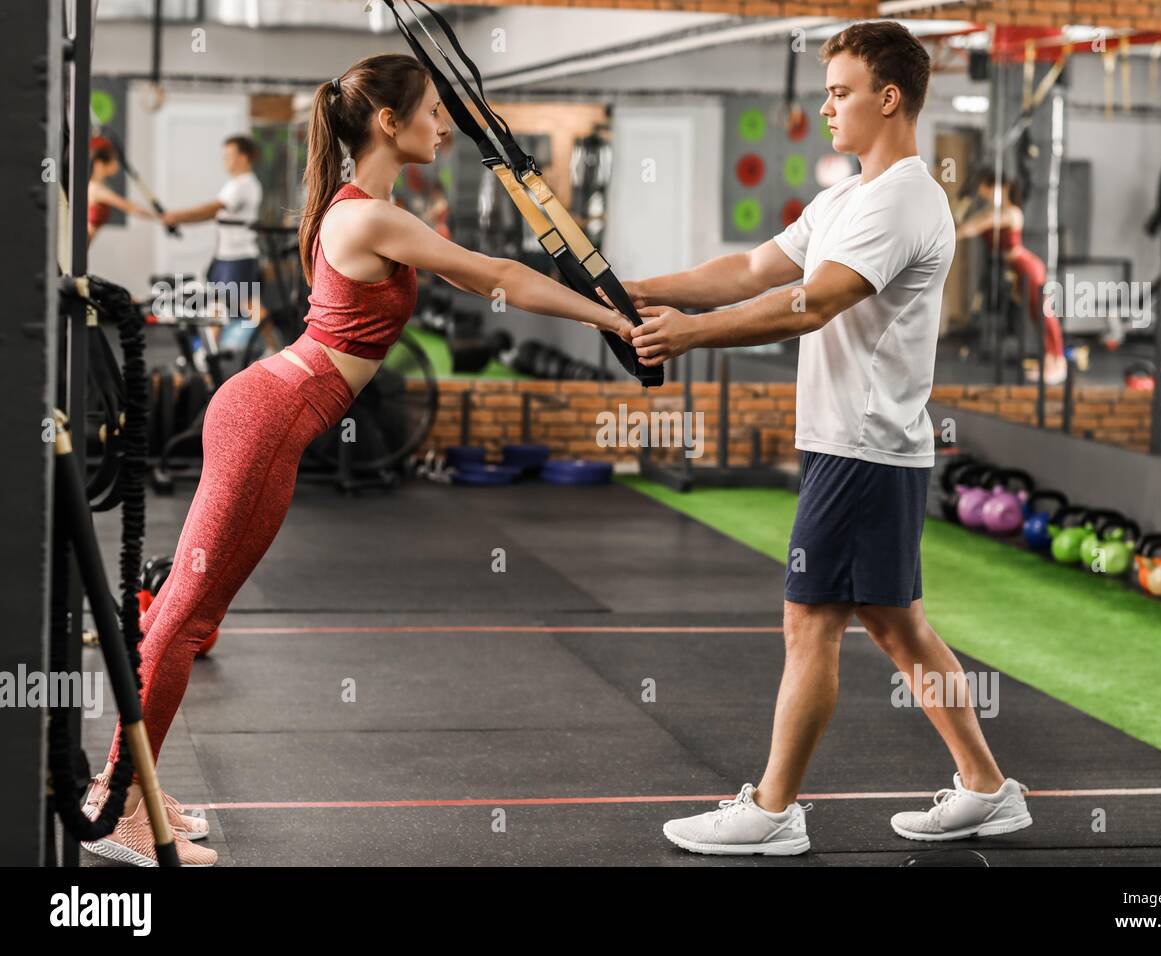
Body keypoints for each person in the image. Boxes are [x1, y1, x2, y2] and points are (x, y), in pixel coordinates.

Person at [80, 53, 632, 866]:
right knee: (189, 614)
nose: (444, 125)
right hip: (267, 418)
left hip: (269, 411)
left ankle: (126, 788)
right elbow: (500, 276)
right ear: (388, 122)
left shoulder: (366, 205)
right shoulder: (369, 217)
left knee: (184, 613)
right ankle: (123, 808)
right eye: (434, 111)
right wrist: (613, 319)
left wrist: (615, 307)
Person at [628, 21, 1032, 855]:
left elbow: (809, 303)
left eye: (841, 92)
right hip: (858, 446)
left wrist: (688, 334)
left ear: (889, 98)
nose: (826, 108)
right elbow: (750, 272)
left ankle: (773, 812)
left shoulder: (902, 201)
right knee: (896, 623)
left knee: (809, 622)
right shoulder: (848, 196)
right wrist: (635, 288)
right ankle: (988, 787)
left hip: (862, 447)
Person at [955, 169, 1067, 384]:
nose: (984, 194)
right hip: (1016, 268)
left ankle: (1057, 361)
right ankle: (1050, 360)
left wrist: (960, 217)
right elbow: (965, 227)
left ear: (1002, 188)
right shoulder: (994, 211)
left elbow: (969, 228)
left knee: (1043, 313)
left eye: (987, 189)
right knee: (1037, 315)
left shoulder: (1010, 213)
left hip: (1026, 266)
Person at [162, 135, 266, 327]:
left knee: (247, 304)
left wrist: (178, 217)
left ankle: (274, 346)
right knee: (218, 302)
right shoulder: (234, 184)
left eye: (229, 156)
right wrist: (179, 218)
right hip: (225, 256)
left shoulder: (244, 185)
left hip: (239, 256)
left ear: (242, 158)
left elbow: (211, 210)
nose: (224, 161)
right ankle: (210, 351)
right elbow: (213, 213)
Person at [86, 137, 159, 245]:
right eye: (114, 159)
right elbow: (131, 207)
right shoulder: (95, 189)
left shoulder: (100, 188)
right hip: (81, 244)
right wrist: (162, 217)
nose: (117, 164)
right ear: (100, 163)